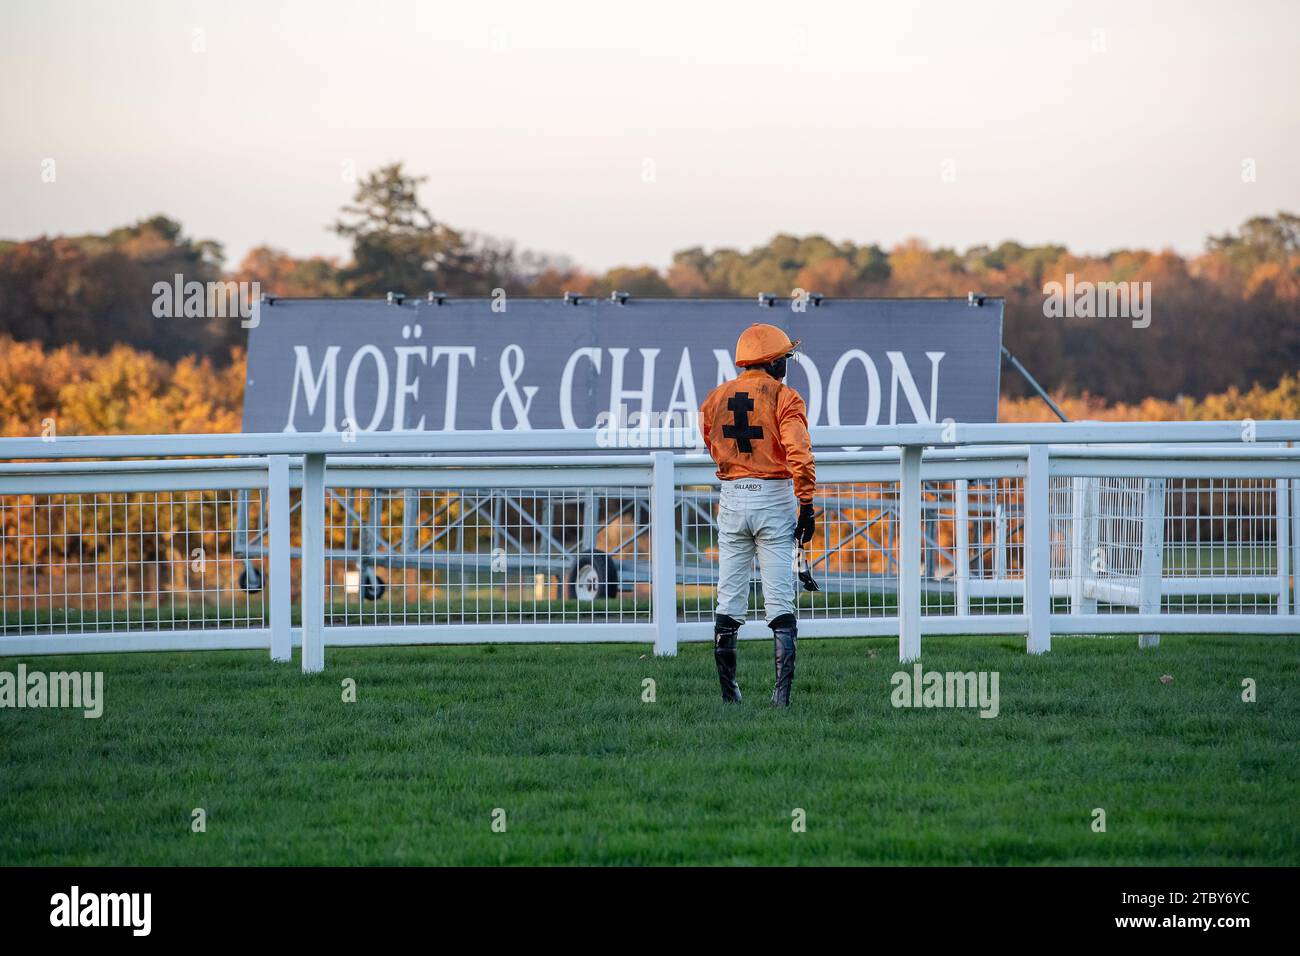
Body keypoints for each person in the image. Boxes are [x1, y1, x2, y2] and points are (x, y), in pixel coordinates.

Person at [698, 323, 817, 706]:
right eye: (785, 356)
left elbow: (712, 446)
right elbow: (799, 454)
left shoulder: (715, 398)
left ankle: (729, 694)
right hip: (774, 499)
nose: (787, 362)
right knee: (780, 600)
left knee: (729, 598)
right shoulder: (786, 397)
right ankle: (781, 696)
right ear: (772, 361)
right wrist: (807, 503)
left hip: (732, 498)